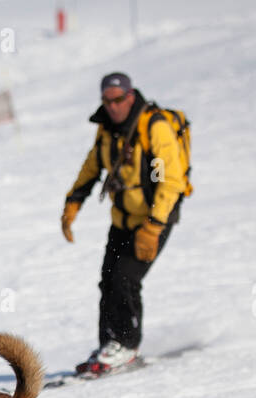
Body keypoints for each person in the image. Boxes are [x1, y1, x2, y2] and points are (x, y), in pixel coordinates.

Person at [60, 72, 187, 375]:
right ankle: (109, 345)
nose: (113, 106)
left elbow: (171, 181)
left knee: (126, 279)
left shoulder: (154, 127)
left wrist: (154, 227)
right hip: (122, 218)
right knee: (108, 280)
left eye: (118, 99)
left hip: (154, 217)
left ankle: (126, 346)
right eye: (107, 100)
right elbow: (92, 166)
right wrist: (72, 203)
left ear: (131, 96)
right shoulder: (107, 128)